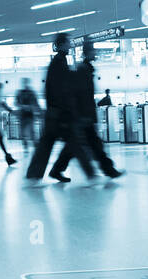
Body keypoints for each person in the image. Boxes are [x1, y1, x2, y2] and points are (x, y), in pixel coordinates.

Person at [25, 33, 97, 184]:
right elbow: (61, 89)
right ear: (63, 44)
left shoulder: (58, 61)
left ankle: (35, 175)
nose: (70, 45)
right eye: (68, 42)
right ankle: (91, 175)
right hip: (60, 113)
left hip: (55, 112)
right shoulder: (59, 62)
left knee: (47, 144)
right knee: (74, 143)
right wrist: (68, 109)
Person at [52, 39, 122, 179]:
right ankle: (108, 170)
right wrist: (85, 114)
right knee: (92, 144)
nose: (95, 53)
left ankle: (57, 170)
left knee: (76, 145)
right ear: (87, 52)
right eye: (93, 50)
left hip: (84, 114)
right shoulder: (83, 69)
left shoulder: (86, 68)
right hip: (84, 115)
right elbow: (82, 94)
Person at [15, 79, 40, 150]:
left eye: (26, 83)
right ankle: (26, 144)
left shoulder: (31, 93)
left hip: (29, 114)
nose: (25, 85)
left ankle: (34, 144)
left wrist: (35, 109)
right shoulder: (20, 93)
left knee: (31, 130)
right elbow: (16, 103)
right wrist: (23, 106)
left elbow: (36, 103)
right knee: (23, 131)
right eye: (24, 83)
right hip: (23, 114)